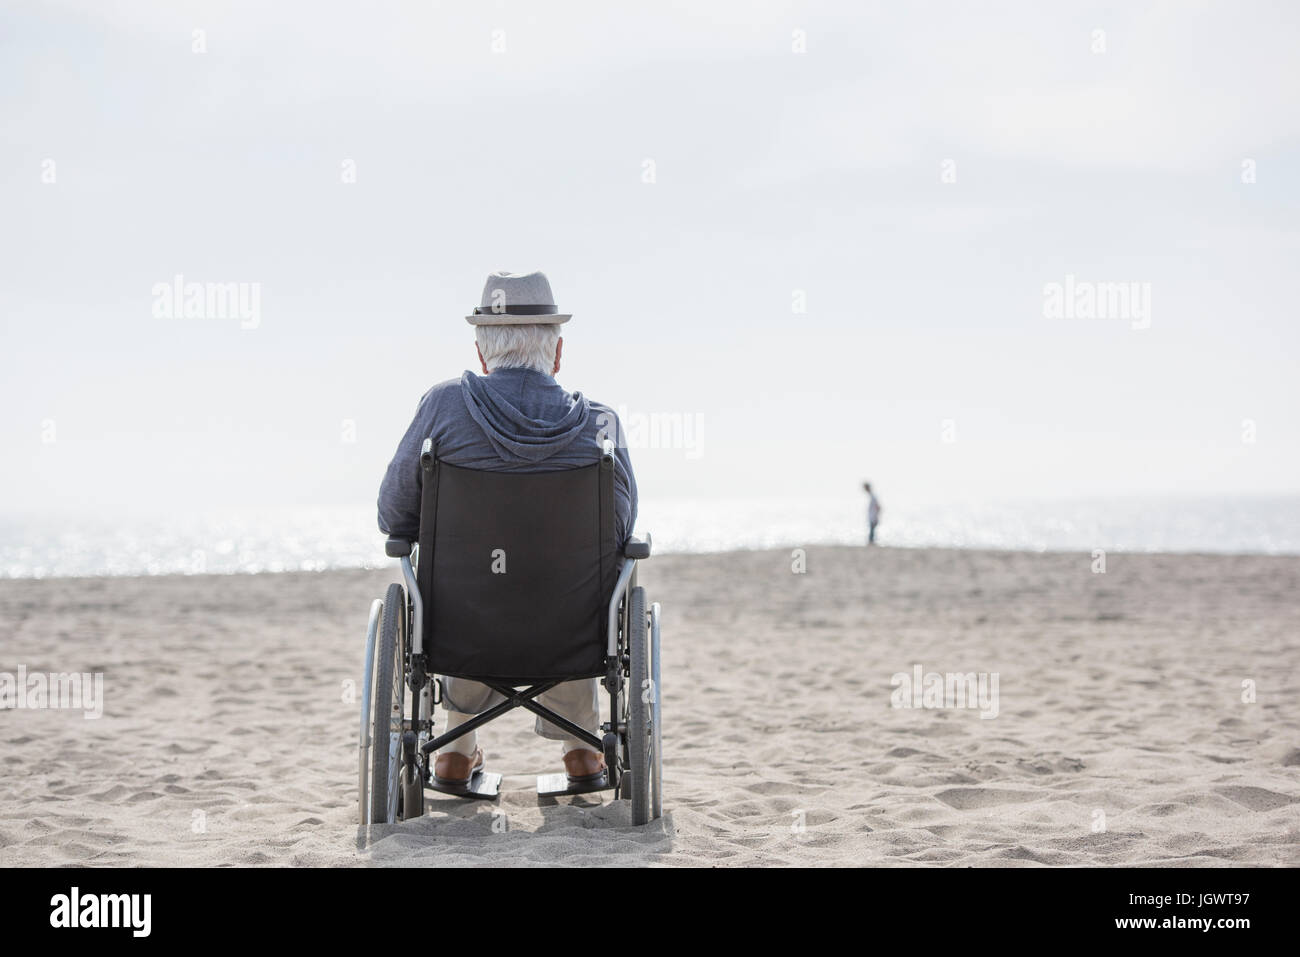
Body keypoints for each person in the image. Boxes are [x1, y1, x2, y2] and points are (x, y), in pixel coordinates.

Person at [377, 270, 637, 787]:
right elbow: (621, 531)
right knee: (580, 581)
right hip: (570, 634)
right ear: (557, 354)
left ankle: (454, 749)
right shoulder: (600, 423)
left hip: (463, 630)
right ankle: (584, 751)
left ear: (481, 352)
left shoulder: (442, 407)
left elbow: (394, 516)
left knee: (471, 584)